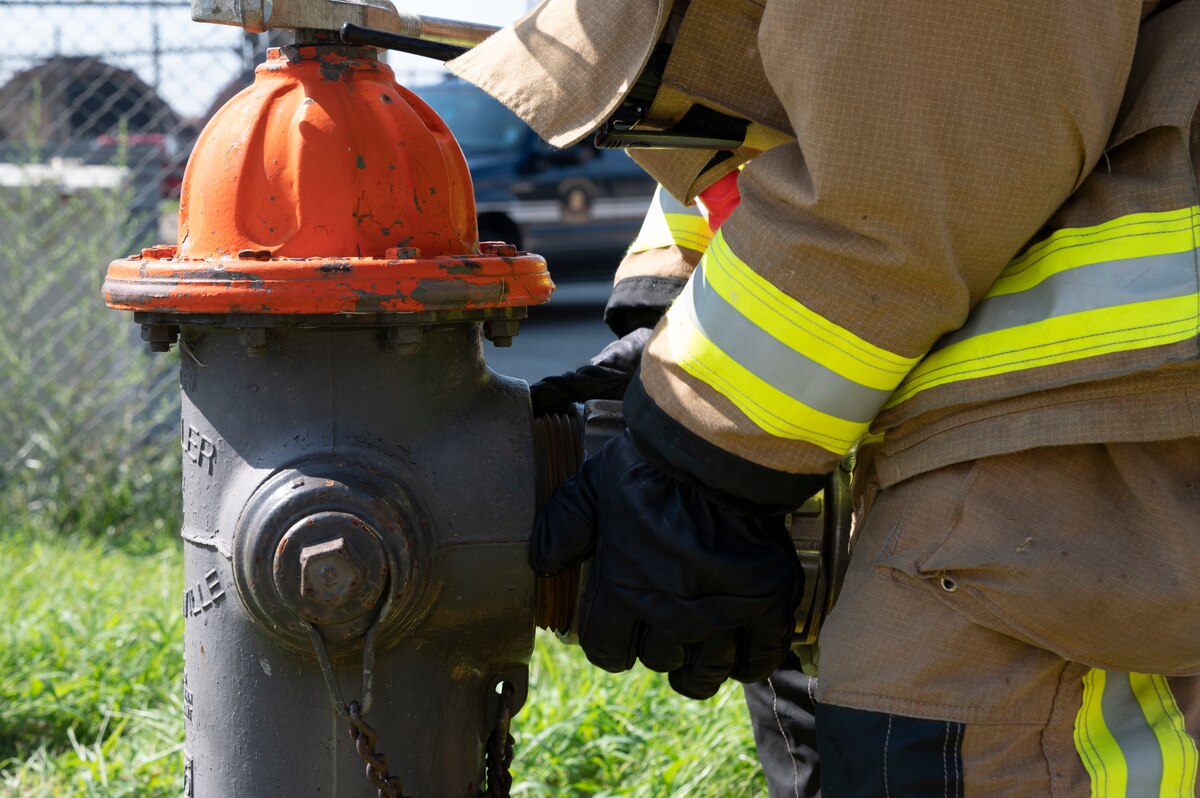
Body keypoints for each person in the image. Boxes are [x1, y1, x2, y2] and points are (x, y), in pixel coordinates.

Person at [448, 0, 1200, 794]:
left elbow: (917, 132)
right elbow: (771, 109)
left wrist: (699, 442)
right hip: (934, 429)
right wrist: (677, 321)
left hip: (1067, 458)